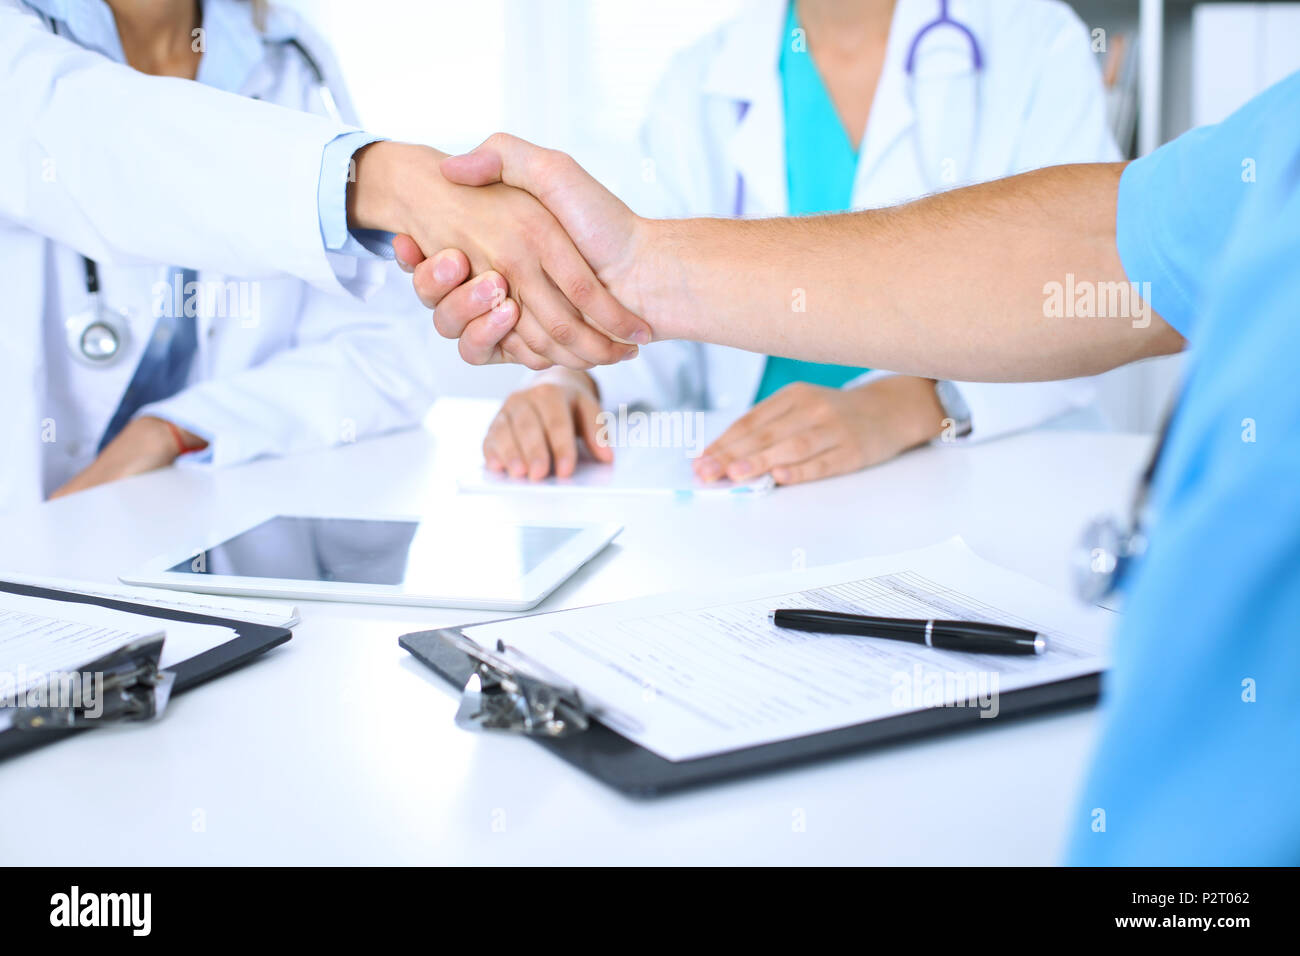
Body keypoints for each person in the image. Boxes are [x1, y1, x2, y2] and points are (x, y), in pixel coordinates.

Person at [409, 72, 1300, 863]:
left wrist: (918, 400)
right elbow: (1110, 245)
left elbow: (1100, 280)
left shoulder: (1028, 39)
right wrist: (620, 292)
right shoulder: (1281, 143)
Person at [0, 0, 653, 509]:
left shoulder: (287, 59)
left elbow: (383, 357)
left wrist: (173, 431)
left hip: (190, 537)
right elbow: (90, 139)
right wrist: (384, 181)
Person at [479, 0, 1117, 485]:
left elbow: (1085, 293)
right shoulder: (700, 79)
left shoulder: (1034, 41)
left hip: (972, 487)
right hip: (753, 496)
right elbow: (642, 303)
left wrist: (914, 404)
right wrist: (574, 386)